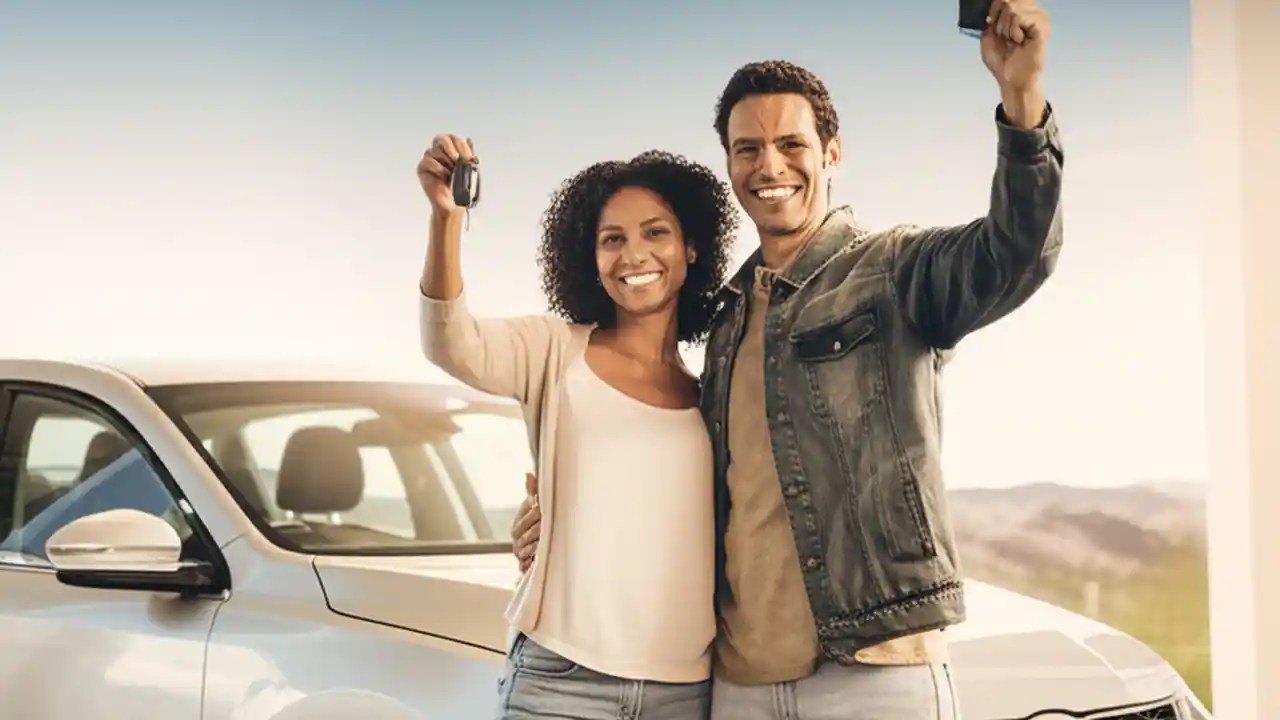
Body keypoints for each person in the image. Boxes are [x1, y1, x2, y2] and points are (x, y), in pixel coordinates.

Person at [510, 1, 1064, 717]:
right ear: (731, 166)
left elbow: (1016, 253)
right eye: (747, 149)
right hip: (739, 678)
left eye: (791, 144)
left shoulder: (893, 270)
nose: (770, 166)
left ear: (831, 153)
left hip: (873, 671)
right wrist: (557, 522)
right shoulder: (725, 321)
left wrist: (1021, 101)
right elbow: (690, 493)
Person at [416, 143, 736, 718]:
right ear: (590, 258)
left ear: (691, 249)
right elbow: (451, 341)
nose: (633, 254)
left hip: (684, 692)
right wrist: (447, 218)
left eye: (655, 233)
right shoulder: (553, 351)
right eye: (612, 239)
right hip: (561, 681)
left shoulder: (714, 394)